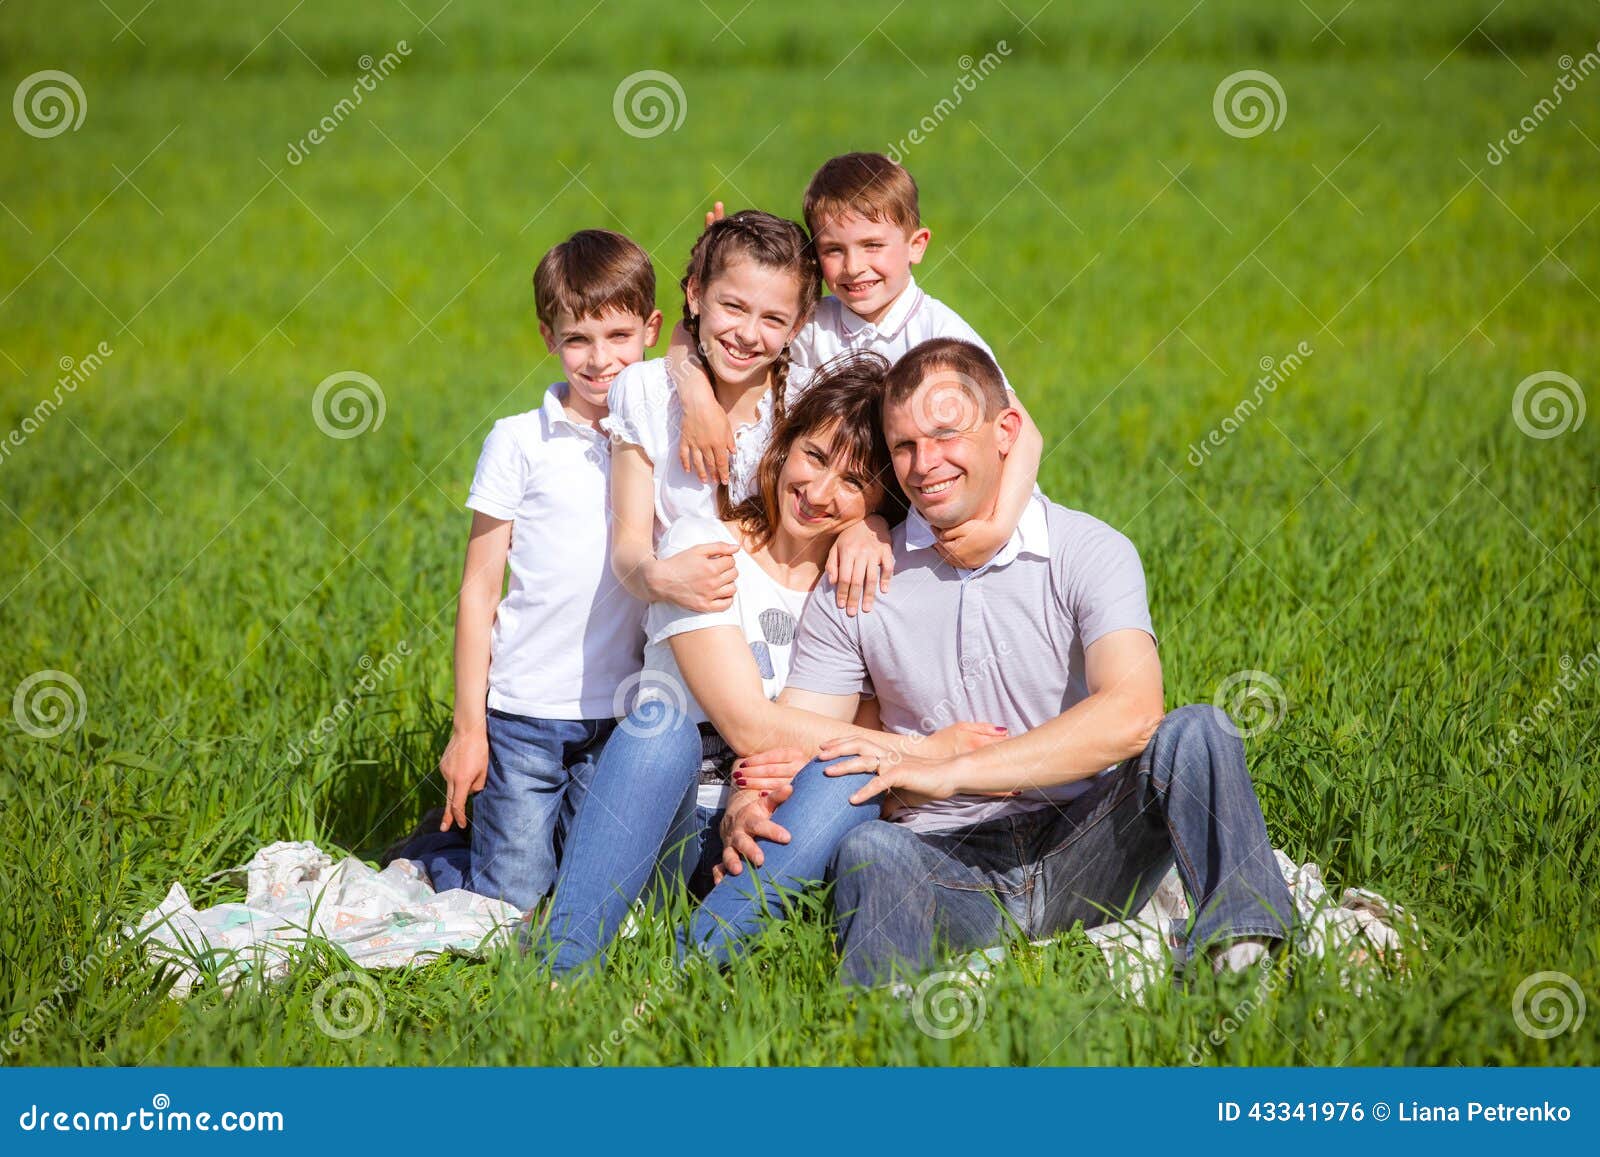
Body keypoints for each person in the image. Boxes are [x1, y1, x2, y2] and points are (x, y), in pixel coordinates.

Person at [698, 337, 1298, 983]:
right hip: (944, 860)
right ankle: (878, 1036)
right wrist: (746, 798)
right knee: (870, 850)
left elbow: (1132, 713)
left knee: (1199, 731)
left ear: (1006, 431)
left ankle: (1242, 959)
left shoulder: (1088, 549)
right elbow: (796, 732)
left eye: (946, 434)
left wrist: (952, 768)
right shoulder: (860, 576)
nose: (925, 463)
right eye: (904, 446)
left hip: (1091, 848)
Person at [537, 354, 1003, 974]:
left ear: (880, 500)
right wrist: (922, 751)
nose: (817, 493)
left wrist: (762, 798)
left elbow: (820, 747)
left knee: (853, 777)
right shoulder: (704, 550)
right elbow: (752, 729)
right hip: (663, 825)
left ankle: (690, 971)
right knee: (662, 728)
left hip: (775, 836)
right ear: (785, 445)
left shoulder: (856, 590)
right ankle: (560, 968)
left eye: (853, 483)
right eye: (814, 457)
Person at [398, 229, 662, 911]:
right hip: (522, 714)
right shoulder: (519, 440)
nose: (600, 359)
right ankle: (429, 861)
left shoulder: (664, 430)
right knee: (508, 904)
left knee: (599, 894)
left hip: (620, 713)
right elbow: (479, 587)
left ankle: (476, 844)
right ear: (549, 335)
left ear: (653, 330)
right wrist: (468, 728)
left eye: (619, 335)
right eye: (578, 338)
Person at [667, 152, 1046, 612]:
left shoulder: (939, 334)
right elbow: (691, 328)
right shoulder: (810, 323)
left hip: (956, 522)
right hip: (851, 513)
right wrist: (697, 397)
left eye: (872, 245)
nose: (853, 267)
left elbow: (1023, 432)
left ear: (917, 244)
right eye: (833, 250)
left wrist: (999, 526)